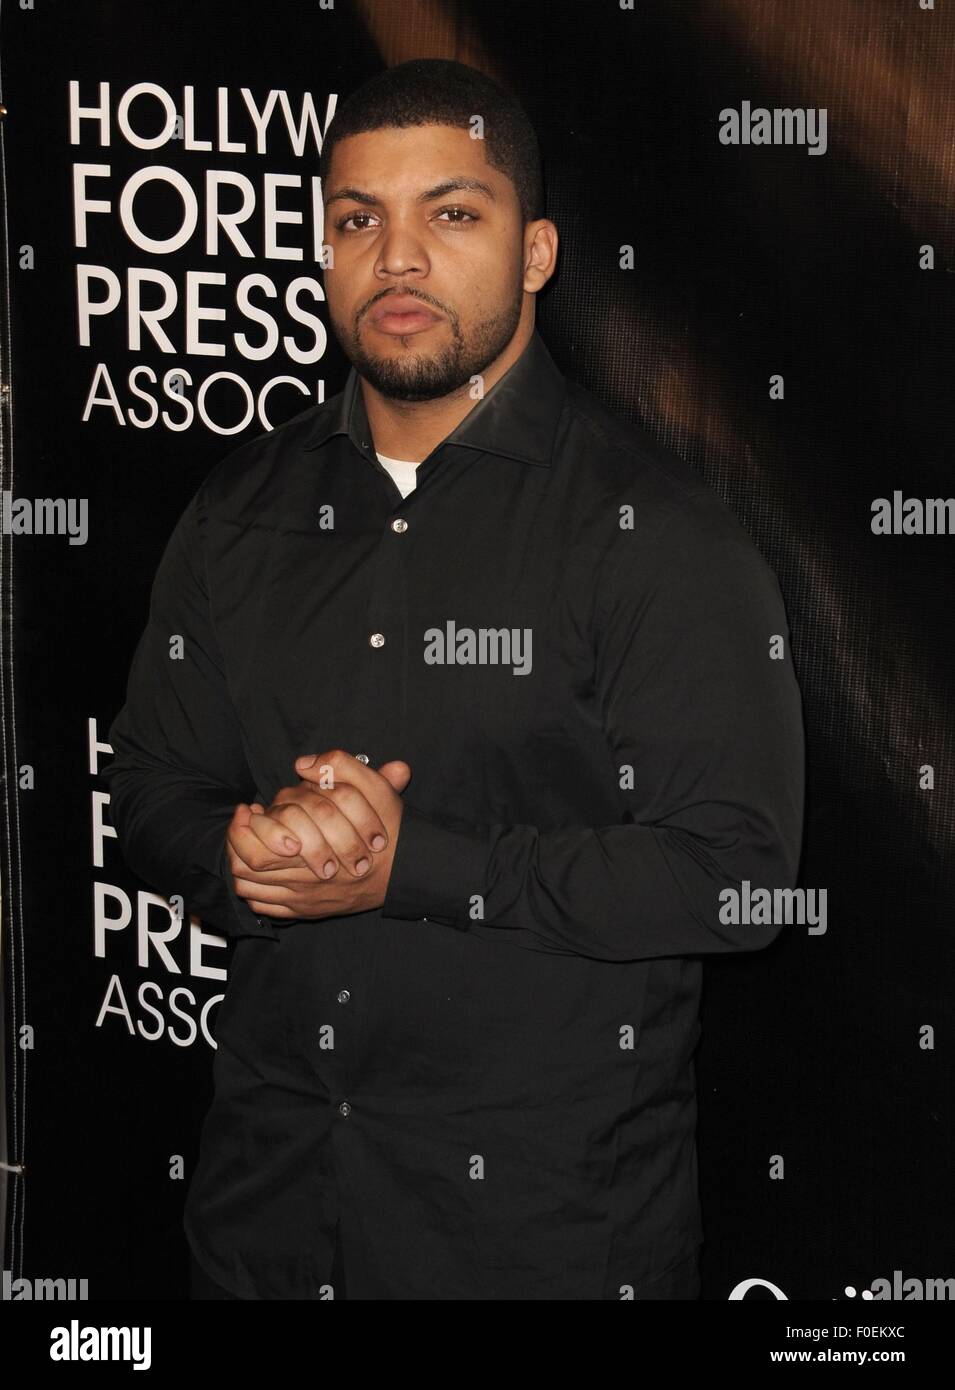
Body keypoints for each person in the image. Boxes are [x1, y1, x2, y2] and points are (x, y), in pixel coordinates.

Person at [103, 57, 805, 1301]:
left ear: (536, 253)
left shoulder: (660, 535)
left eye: (453, 212)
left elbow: (737, 878)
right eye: (358, 219)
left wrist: (411, 865)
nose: (398, 257)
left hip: (539, 1247)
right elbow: (153, 786)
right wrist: (248, 848)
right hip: (264, 1219)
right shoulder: (235, 514)